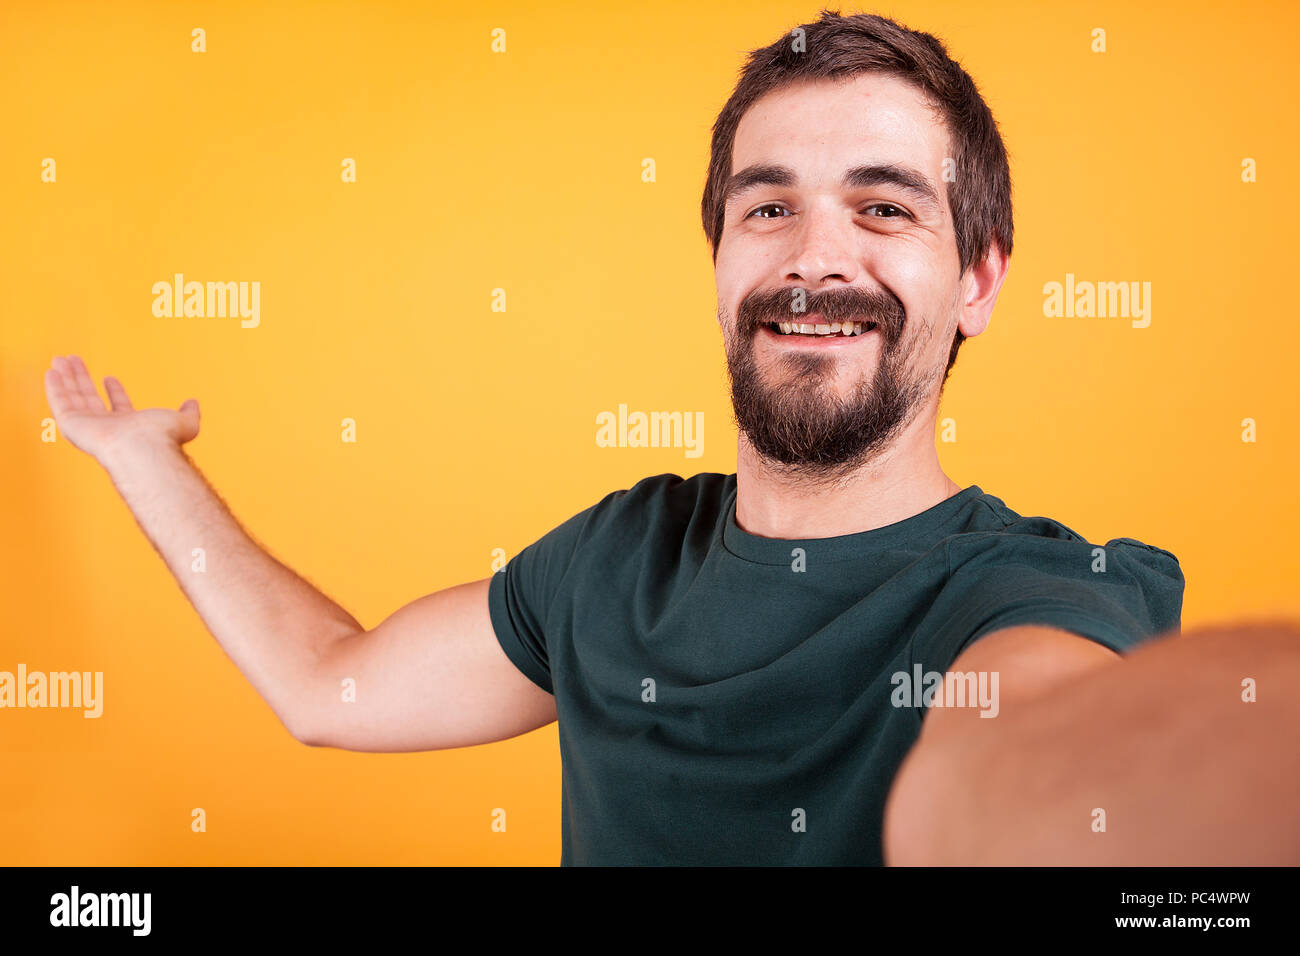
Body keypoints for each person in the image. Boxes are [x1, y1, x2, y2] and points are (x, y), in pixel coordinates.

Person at [43, 11, 1298, 865]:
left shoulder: (1045, 592)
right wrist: (146, 461)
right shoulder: (613, 557)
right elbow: (327, 684)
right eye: (769, 206)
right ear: (718, 260)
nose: (815, 255)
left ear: (977, 279)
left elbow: (1019, 761)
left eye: (882, 205)